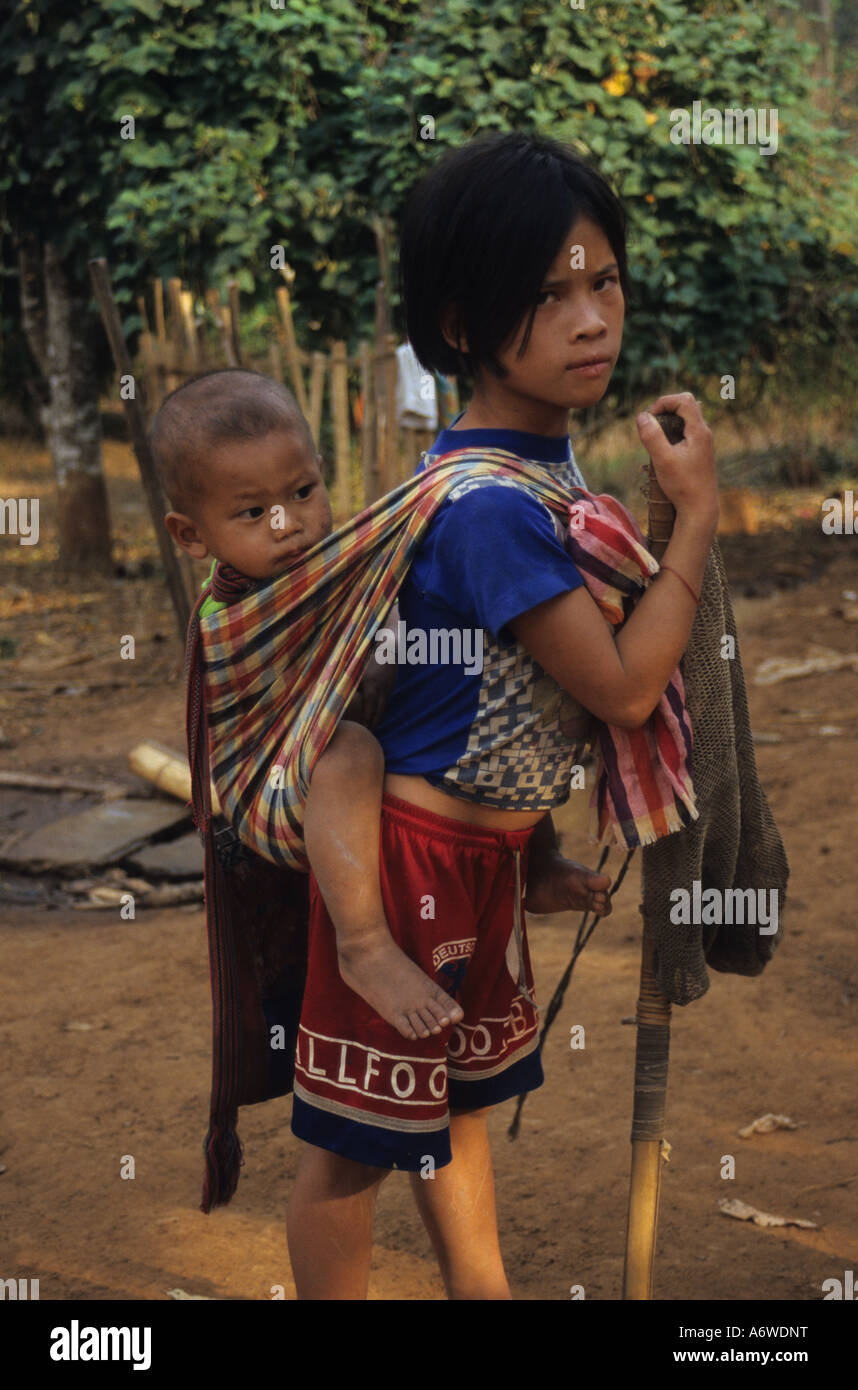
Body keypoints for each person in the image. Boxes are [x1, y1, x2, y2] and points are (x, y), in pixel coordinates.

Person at [285, 131, 719, 1300]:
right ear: (464, 325)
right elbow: (621, 687)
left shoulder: (544, 477)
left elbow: (490, 698)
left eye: (602, 282)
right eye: (547, 294)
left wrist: (536, 854)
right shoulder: (489, 509)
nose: (591, 318)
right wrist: (697, 523)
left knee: (456, 1112)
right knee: (348, 1154)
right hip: (407, 865)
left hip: (482, 860)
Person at [152, 368, 465, 1042]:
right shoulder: (226, 618)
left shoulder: (338, 563)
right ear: (190, 534)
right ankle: (365, 946)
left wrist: (381, 645)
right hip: (269, 793)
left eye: (302, 492)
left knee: (468, 685)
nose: (288, 524)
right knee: (350, 751)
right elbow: (278, 712)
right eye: (252, 512)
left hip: (343, 757)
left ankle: (537, 862)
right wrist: (367, 660)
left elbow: (380, 609)